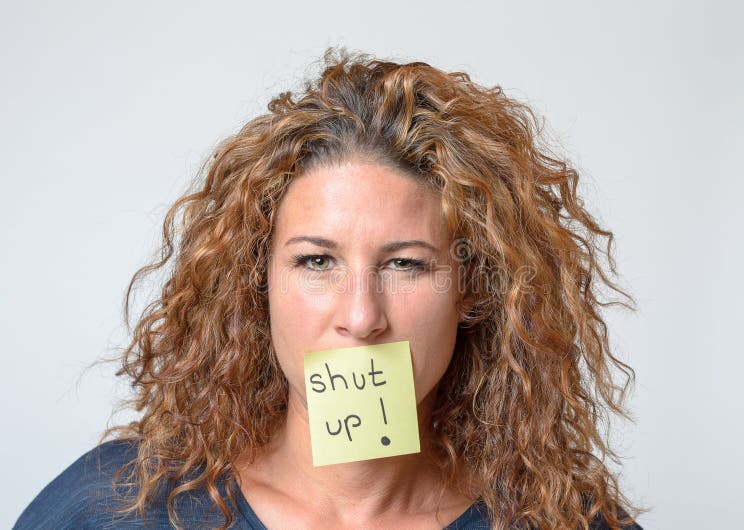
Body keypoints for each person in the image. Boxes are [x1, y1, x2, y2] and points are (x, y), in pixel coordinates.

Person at [14, 49, 646, 530]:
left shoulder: (564, 521)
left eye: (406, 265)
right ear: (255, 283)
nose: (361, 315)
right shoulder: (116, 506)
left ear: (473, 289)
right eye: (317, 261)